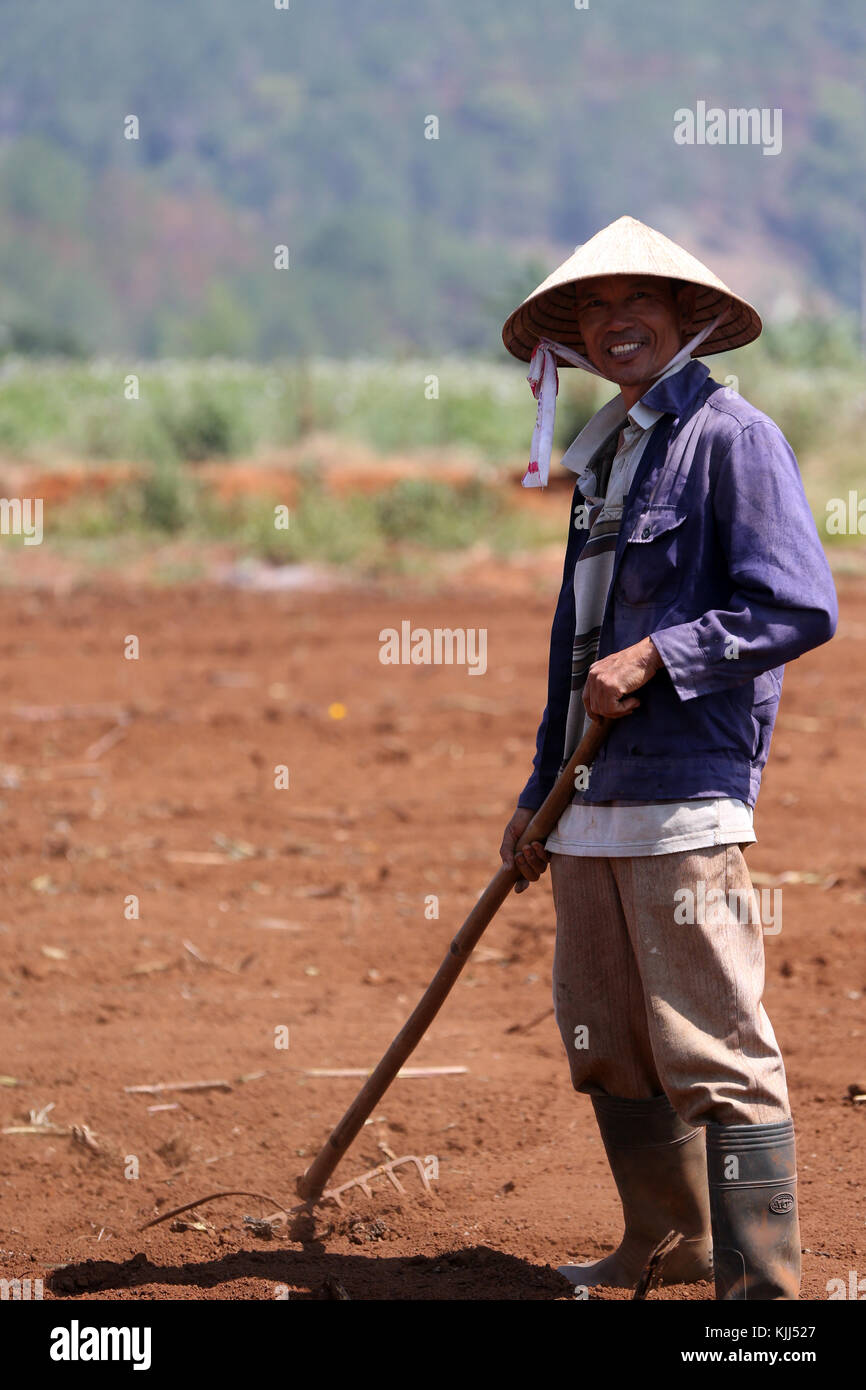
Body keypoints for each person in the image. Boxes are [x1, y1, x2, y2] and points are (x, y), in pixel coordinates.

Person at [498, 216, 838, 1300]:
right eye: (592, 310)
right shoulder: (606, 458)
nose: (613, 324)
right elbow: (576, 652)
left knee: (713, 1045)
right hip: (586, 797)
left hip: (682, 792)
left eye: (636, 302)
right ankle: (668, 1242)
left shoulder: (731, 440)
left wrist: (660, 654)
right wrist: (532, 796)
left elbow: (795, 603)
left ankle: (761, 1292)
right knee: (605, 1034)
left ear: (687, 319)